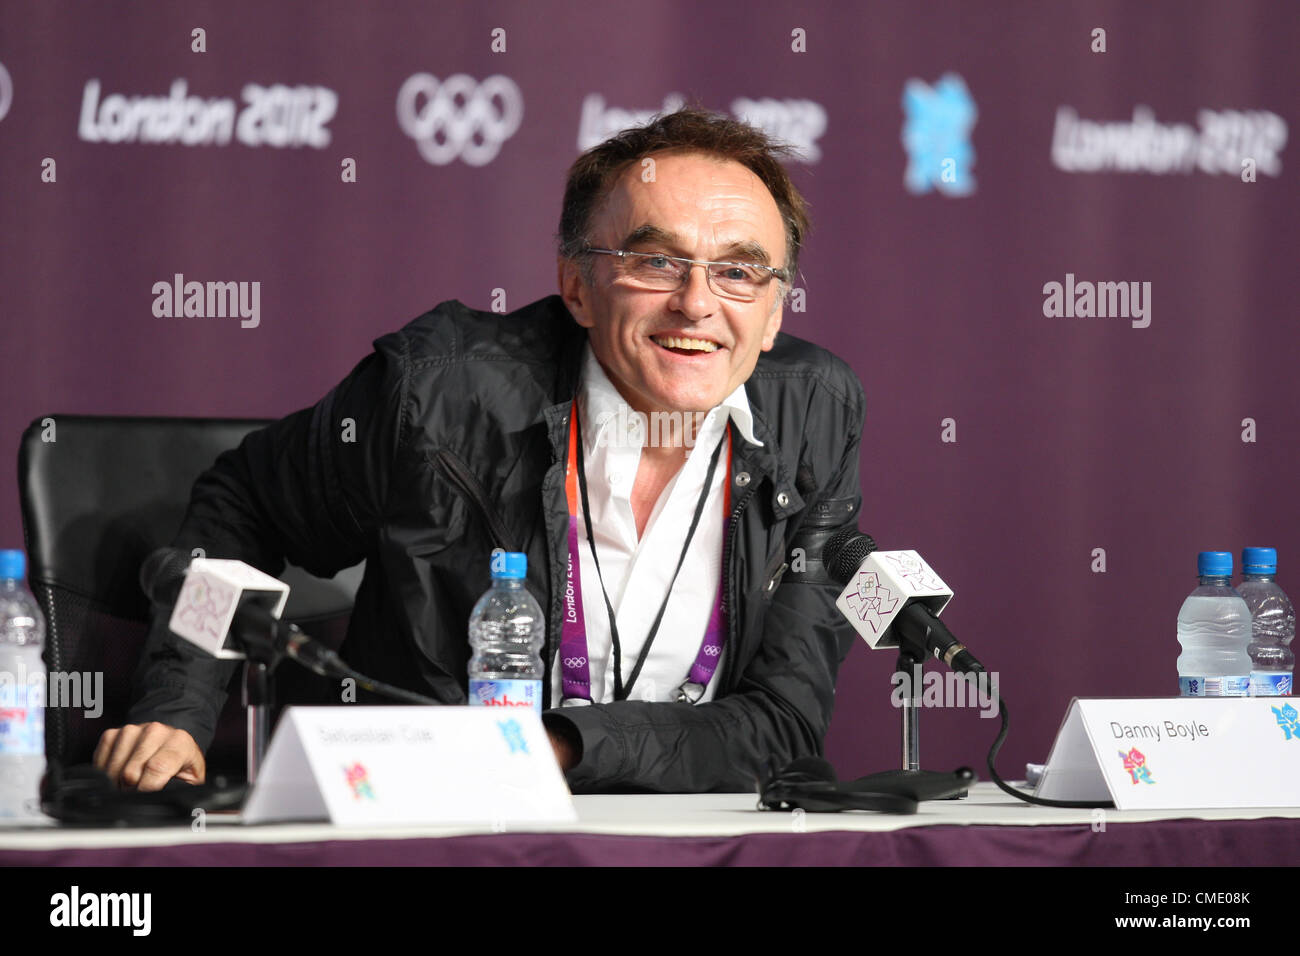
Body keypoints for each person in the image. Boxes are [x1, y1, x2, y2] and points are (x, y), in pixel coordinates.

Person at [93, 107, 867, 793]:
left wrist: (560, 746)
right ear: (576, 286)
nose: (696, 303)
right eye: (654, 262)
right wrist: (177, 707)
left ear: (771, 315)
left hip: (686, 842)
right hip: (431, 825)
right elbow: (241, 507)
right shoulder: (439, 394)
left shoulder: (816, 413)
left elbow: (784, 723)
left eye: (737, 272)